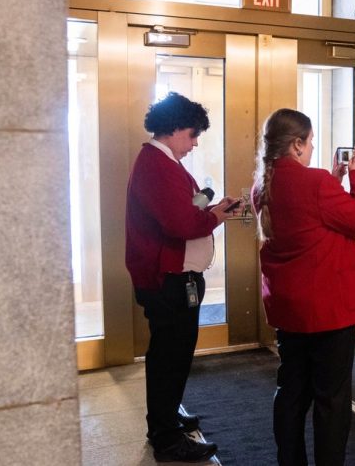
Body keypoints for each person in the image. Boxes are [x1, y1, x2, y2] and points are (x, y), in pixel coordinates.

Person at [252, 108, 355, 466]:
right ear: (296, 144)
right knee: (331, 400)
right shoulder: (316, 183)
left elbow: (309, 219)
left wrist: (334, 182)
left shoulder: (263, 185)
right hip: (328, 310)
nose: (311, 149)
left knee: (291, 392)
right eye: (309, 142)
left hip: (289, 310)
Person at [125, 92, 241, 463]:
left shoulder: (164, 162)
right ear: (174, 128)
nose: (194, 144)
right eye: (193, 135)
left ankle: (167, 415)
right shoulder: (157, 165)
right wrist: (215, 217)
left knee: (173, 353)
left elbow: (185, 209)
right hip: (167, 278)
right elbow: (180, 223)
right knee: (169, 356)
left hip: (175, 275)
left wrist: (213, 207)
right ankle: (166, 437)